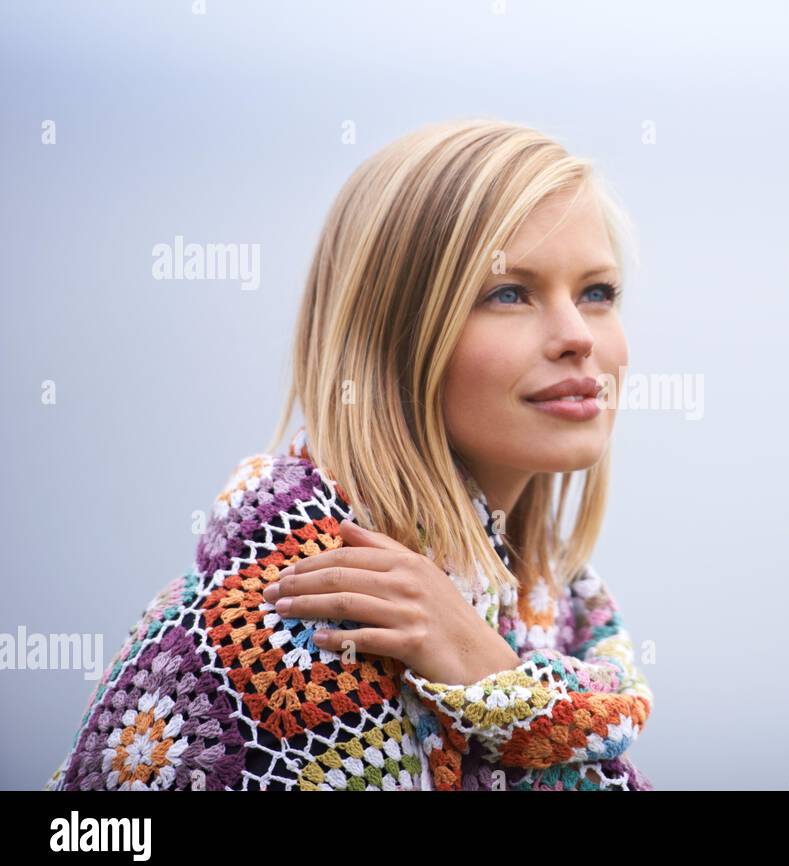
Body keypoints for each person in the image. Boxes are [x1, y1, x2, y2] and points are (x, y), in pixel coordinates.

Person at [42, 119, 654, 791]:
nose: (577, 337)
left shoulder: (553, 609)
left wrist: (497, 677)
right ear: (394, 334)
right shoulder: (305, 618)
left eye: (597, 292)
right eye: (509, 293)